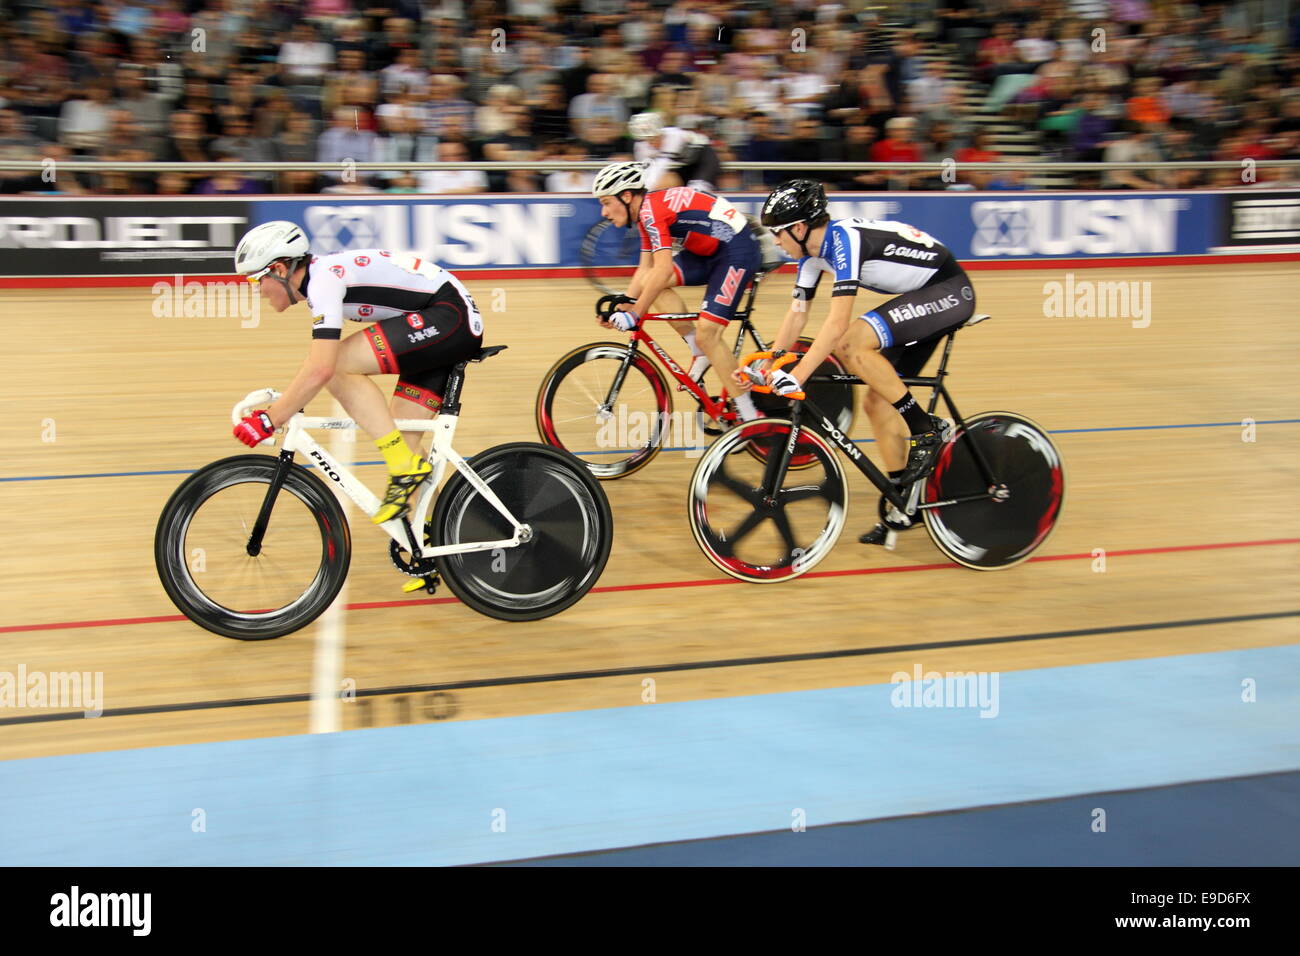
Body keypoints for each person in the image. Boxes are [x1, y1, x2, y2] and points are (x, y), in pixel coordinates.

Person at [746, 180, 976, 545]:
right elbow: (797, 315)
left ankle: (926, 428)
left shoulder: (843, 241)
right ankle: (906, 504)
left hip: (948, 291)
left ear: (800, 228)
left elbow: (837, 324)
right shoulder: (811, 255)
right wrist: (771, 362)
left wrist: (799, 375)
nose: (776, 241)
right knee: (876, 404)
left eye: (778, 233)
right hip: (921, 297)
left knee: (852, 343)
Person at [230, 221, 485, 548]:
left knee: (337, 366)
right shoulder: (323, 277)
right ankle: (439, 548)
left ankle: (402, 465)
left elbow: (321, 368)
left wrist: (271, 418)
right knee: (403, 439)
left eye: (256, 280)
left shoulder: (323, 281)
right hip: (440, 320)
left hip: (448, 317)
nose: (257, 290)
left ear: (279, 268)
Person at [592, 161, 763, 423]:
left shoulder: (650, 211)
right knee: (654, 287)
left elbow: (661, 270)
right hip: (707, 252)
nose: (604, 212)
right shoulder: (645, 213)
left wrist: (636, 313)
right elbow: (645, 271)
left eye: (605, 202)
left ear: (626, 196)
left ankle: (751, 417)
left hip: (735, 250)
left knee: (709, 334)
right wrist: (622, 307)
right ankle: (699, 351)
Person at [628, 111, 722, 191]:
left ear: (660, 133)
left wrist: (647, 189)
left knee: (697, 188)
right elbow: (646, 169)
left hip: (703, 158)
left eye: (654, 138)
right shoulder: (640, 146)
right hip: (681, 164)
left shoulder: (674, 136)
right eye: (646, 139)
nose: (650, 143)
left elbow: (661, 166)